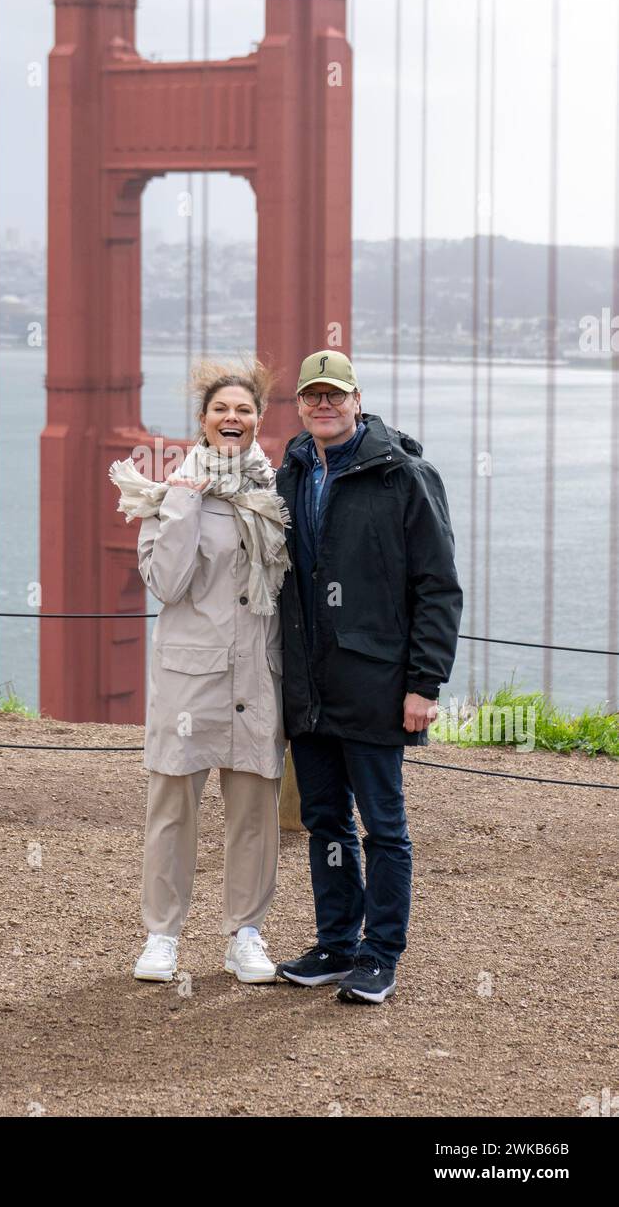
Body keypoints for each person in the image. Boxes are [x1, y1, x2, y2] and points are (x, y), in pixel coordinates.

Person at [274, 349, 463, 1004]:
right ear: (301, 404)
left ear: (356, 400)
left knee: (383, 825)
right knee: (324, 820)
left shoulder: (404, 476)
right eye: (312, 397)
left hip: (377, 681)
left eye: (335, 395)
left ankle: (379, 954)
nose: (323, 406)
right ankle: (335, 944)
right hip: (311, 685)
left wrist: (425, 683)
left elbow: (438, 586)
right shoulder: (293, 470)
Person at [109, 360, 291, 984]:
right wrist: (185, 498)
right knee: (172, 810)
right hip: (191, 678)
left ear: (259, 421)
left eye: (244, 410)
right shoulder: (167, 495)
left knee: (253, 814)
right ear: (204, 422)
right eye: (221, 410)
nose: (232, 419)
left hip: (257, 677)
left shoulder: (276, 495)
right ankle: (162, 935)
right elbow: (165, 582)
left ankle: (245, 933)